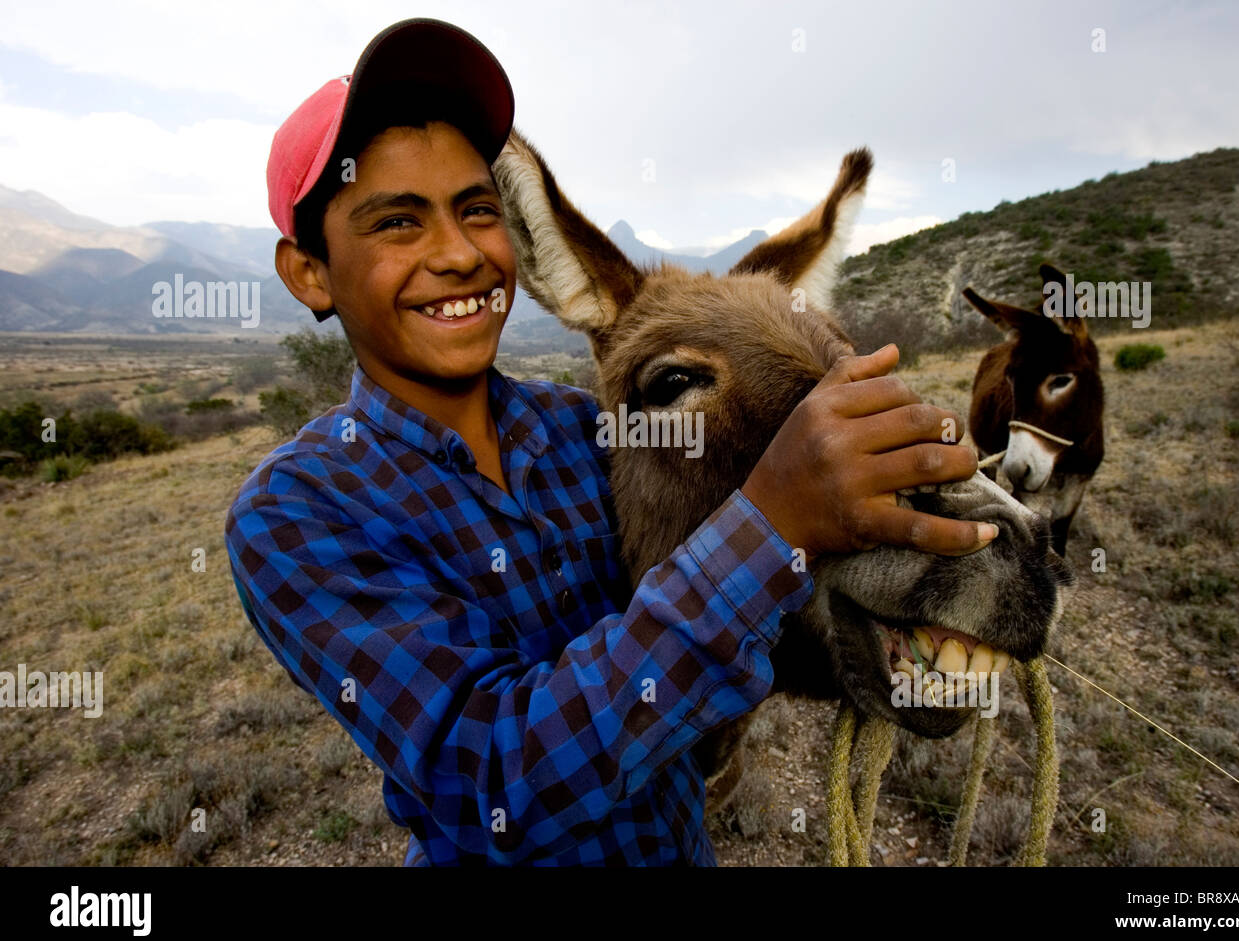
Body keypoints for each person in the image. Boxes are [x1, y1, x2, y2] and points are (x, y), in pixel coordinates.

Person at [225, 17, 996, 866]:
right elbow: (491, 780)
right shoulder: (297, 509)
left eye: (478, 210)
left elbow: (713, 552)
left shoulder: (585, 432)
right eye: (397, 223)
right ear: (308, 272)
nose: (457, 255)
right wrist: (776, 525)